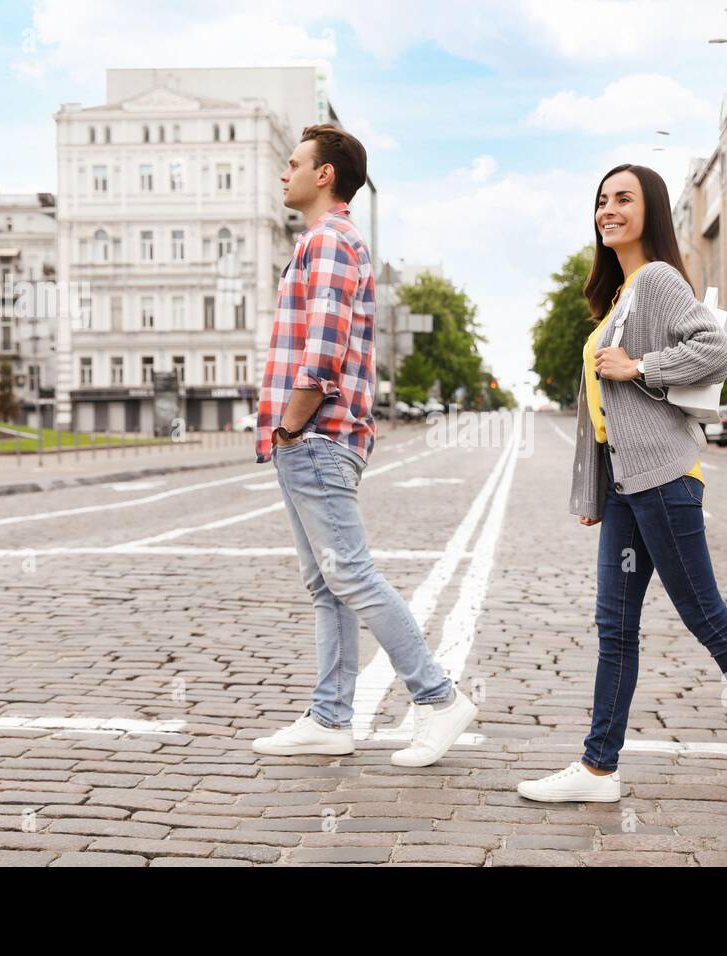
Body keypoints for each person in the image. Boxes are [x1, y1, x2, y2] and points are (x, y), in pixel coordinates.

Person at [516, 163, 727, 816]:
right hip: (630, 488)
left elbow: (716, 349)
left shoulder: (655, 280)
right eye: (601, 200)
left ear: (651, 209)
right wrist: (597, 493)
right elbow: (603, 413)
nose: (608, 209)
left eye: (623, 198)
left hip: (665, 482)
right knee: (614, 626)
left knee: (708, 617)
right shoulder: (622, 294)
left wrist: (640, 366)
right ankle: (599, 768)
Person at [251, 124, 477, 767]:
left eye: (293, 164)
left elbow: (321, 355)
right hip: (312, 438)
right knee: (328, 583)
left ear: (325, 175)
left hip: (316, 436)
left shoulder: (328, 241)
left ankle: (437, 698)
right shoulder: (327, 241)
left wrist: (291, 427)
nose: (284, 173)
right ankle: (330, 718)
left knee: (348, 572)